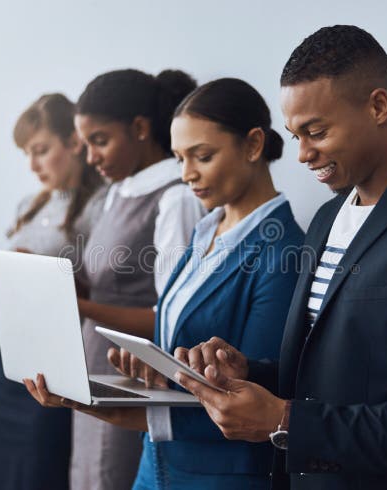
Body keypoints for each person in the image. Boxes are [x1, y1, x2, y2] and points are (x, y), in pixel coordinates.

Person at [174, 25, 387, 489]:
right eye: (295, 135)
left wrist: (285, 420)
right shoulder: (327, 217)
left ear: (378, 106)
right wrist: (250, 372)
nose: (303, 154)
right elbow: (330, 372)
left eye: (317, 132)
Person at [26, 78, 305, 489]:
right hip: (157, 466)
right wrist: (116, 385)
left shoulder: (282, 255)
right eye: (179, 159)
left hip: (219, 476)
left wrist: (97, 400)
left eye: (202, 156)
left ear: (253, 145)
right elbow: (180, 370)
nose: (187, 175)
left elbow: (249, 409)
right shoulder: (205, 232)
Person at [34, 69, 204, 490]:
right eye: (85, 143)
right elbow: (107, 279)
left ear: (141, 129)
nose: (90, 157)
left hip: (129, 376)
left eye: (100, 141)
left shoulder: (175, 196)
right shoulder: (116, 192)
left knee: (114, 474)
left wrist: (80, 306)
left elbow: (172, 316)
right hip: (94, 363)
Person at [0, 93, 105, 490]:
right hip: (8, 361)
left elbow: (104, 286)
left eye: (41, 150)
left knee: (41, 474)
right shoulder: (31, 203)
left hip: (53, 370)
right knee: (1, 475)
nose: (33, 164)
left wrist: (35, 270)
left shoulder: (101, 206)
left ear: (74, 143)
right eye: (27, 153)